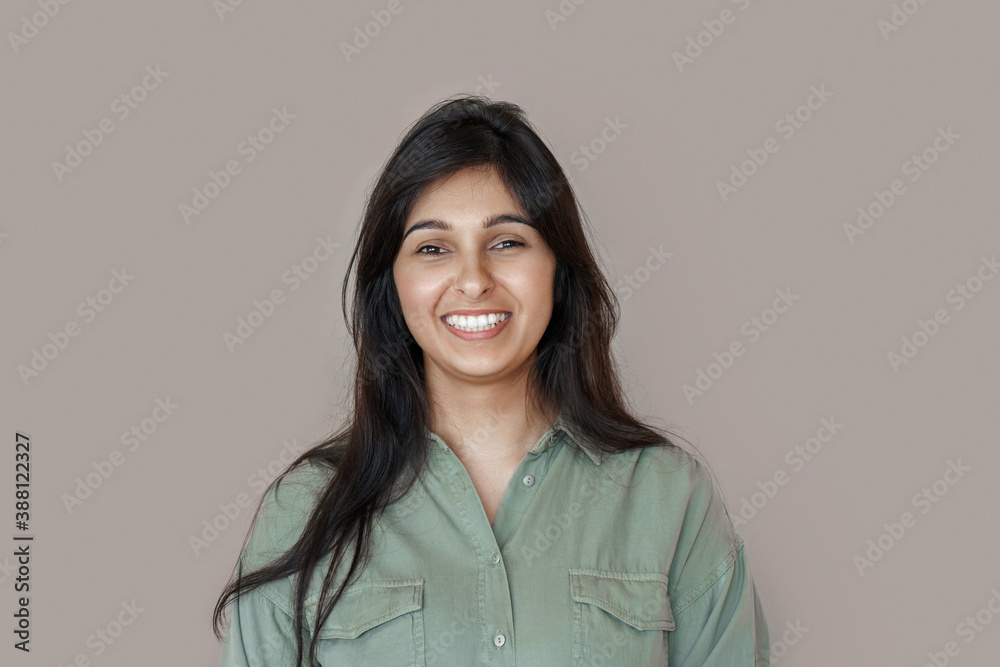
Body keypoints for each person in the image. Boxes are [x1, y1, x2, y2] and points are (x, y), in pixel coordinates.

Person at [213, 95, 770, 666]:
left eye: (506, 242)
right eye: (433, 248)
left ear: (557, 269)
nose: (473, 281)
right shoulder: (306, 511)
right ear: (394, 284)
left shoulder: (669, 497)